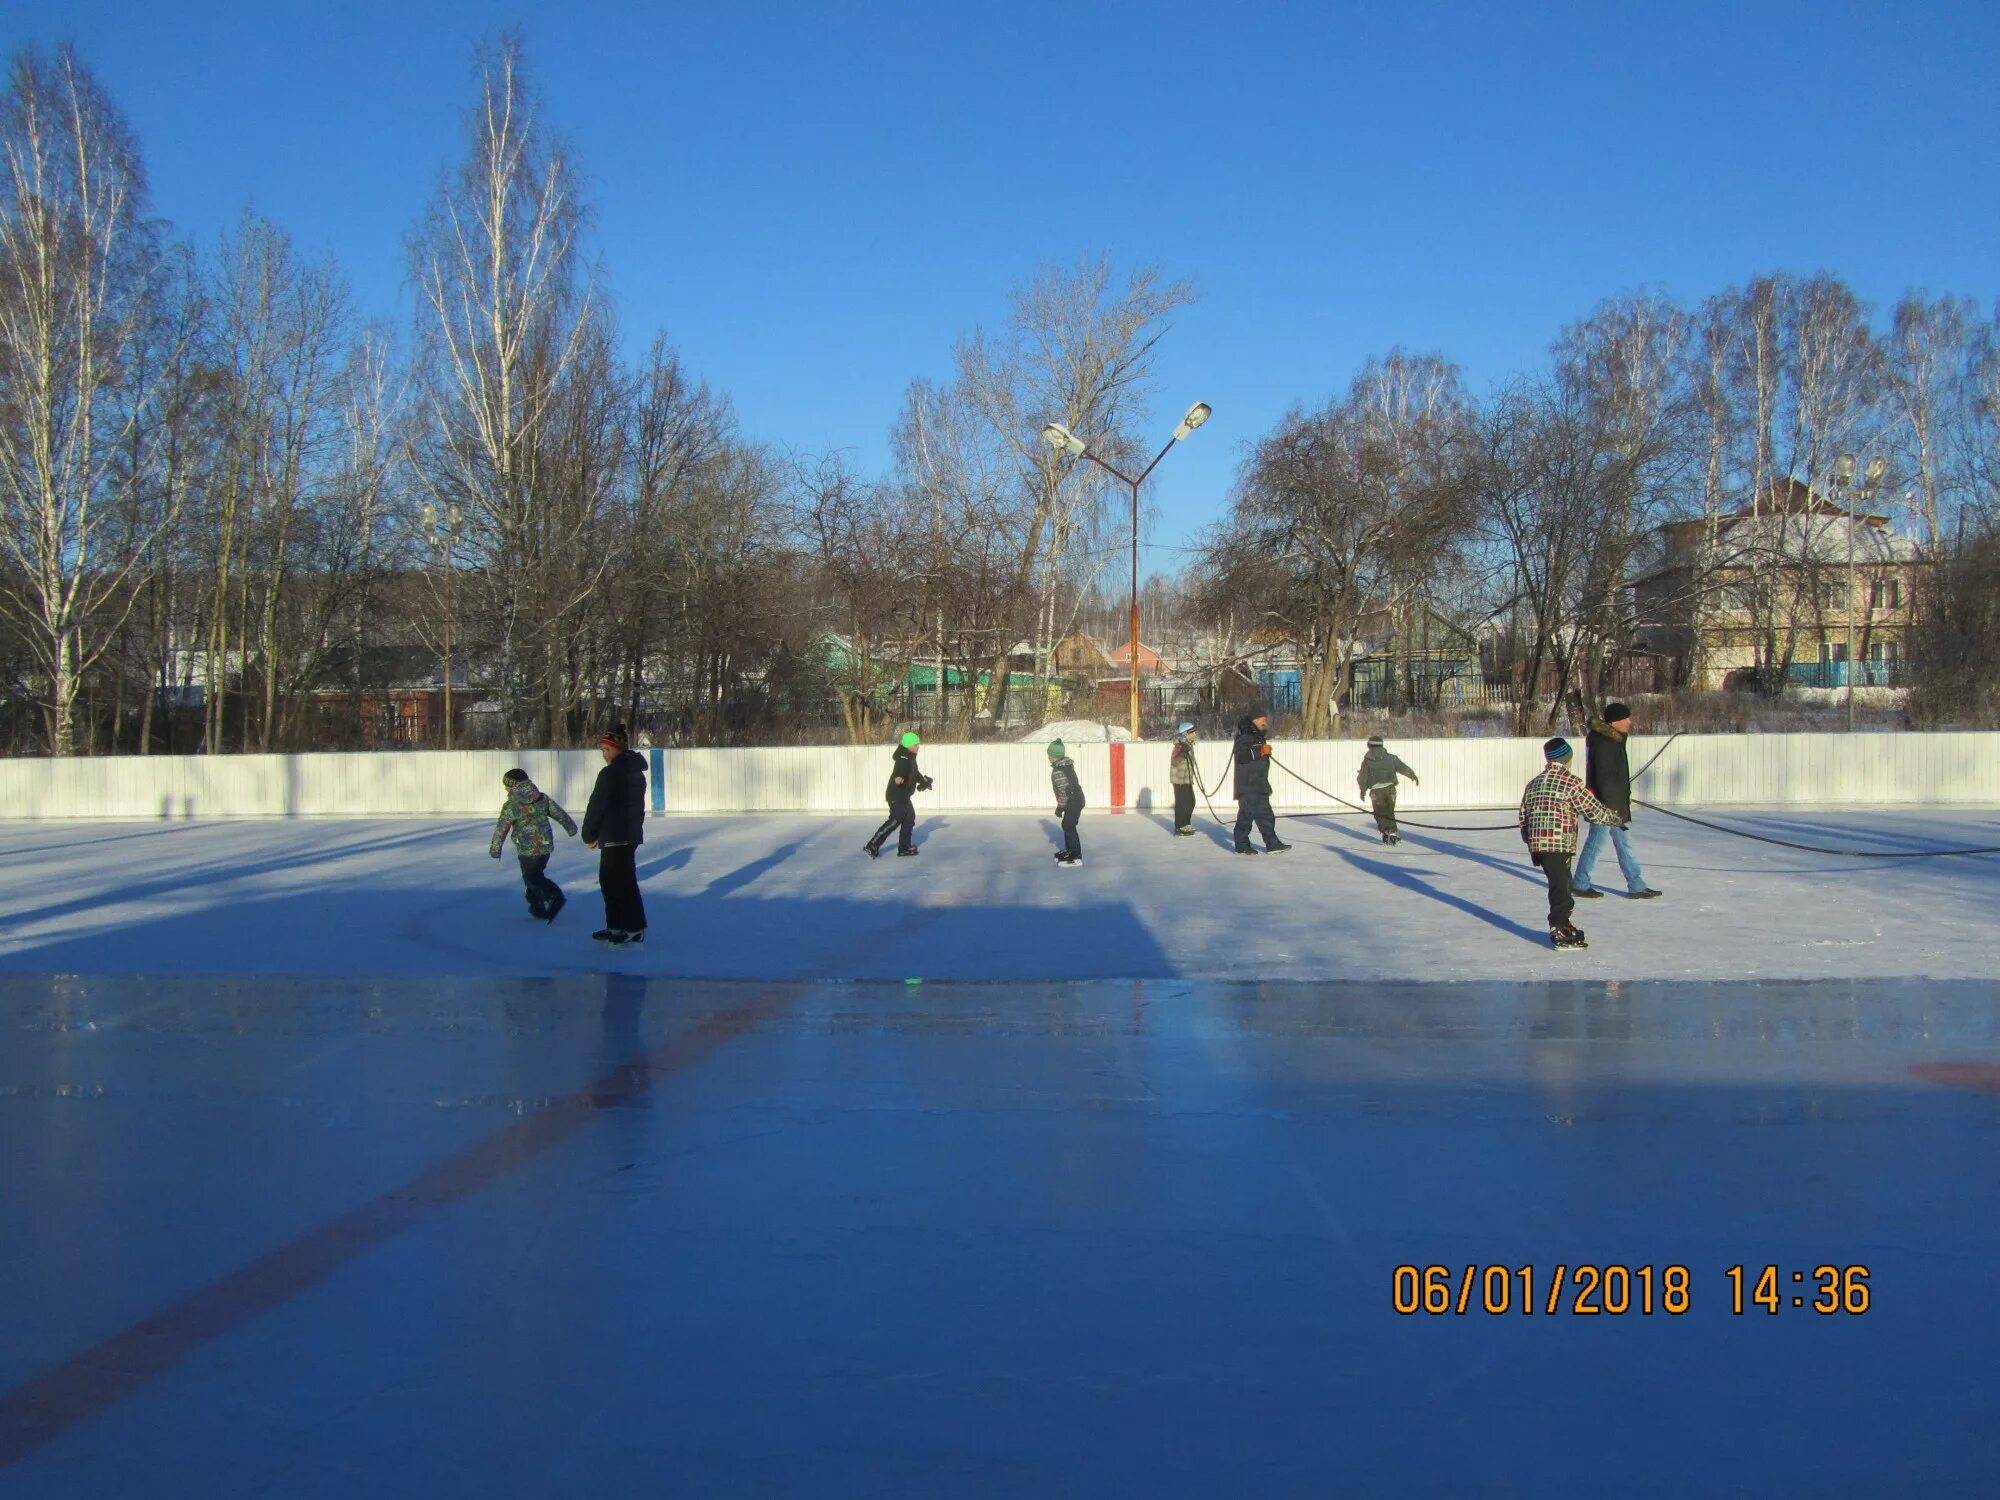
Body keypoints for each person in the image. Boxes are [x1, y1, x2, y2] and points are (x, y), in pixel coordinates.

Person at [1519, 736, 1623, 949]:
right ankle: (1560, 928)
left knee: (1559, 884)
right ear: (1566, 758)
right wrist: (1616, 818)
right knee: (1562, 888)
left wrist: (1531, 839)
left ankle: (1562, 923)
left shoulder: (1534, 783)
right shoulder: (1570, 782)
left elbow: (1523, 815)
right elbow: (1592, 810)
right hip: (1558, 844)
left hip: (1538, 845)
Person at [1573, 701, 1662, 901]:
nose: (1629, 722)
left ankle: (1636, 885)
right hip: (1606, 806)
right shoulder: (1605, 742)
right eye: (1625, 718)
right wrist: (1611, 808)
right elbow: (1605, 778)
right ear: (1615, 722)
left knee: (1623, 845)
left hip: (1613, 804)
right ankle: (1580, 883)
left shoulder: (1613, 740)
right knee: (1595, 844)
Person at [581, 725, 648, 945]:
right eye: (602, 750)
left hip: (616, 833)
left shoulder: (611, 773)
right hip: (628, 834)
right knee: (615, 881)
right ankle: (617, 926)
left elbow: (597, 804)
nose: (604, 754)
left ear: (617, 748)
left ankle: (633, 927)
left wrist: (588, 834)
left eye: (606, 749)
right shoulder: (635, 771)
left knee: (619, 882)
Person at [489, 768, 578, 921]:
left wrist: (495, 848)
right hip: (545, 846)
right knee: (535, 875)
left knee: (532, 877)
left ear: (513, 786)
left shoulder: (511, 805)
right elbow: (559, 814)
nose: (505, 789)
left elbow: (501, 829)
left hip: (527, 849)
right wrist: (571, 828)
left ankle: (553, 895)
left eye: (507, 786)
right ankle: (538, 907)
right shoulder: (542, 798)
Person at [864, 729, 932, 858]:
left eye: (918, 744)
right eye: (915, 744)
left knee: (909, 818)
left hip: (904, 795)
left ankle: (904, 847)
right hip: (897, 794)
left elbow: (914, 773)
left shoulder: (910, 757)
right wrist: (899, 778)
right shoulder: (903, 758)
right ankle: (872, 845)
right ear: (908, 745)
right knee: (895, 820)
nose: (918, 747)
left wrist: (923, 781)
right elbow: (899, 771)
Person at [1231, 711, 1290, 854]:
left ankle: (1273, 844)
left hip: (1259, 784)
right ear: (1255, 720)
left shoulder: (1256, 737)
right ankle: (1242, 845)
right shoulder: (1245, 737)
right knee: (1246, 817)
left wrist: (1261, 751)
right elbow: (1242, 756)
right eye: (1262, 719)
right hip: (1248, 786)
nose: (1265, 722)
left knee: (1266, 815)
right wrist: (1260, 752)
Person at [1357, 734, 1419, 845]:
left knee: (1380, 813)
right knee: (1390, 812)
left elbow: (1362, 777)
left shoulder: (1367, 762)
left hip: (1376, 791)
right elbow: (1403, 768)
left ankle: (1387, 833)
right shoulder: (1391, 758)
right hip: (1390, 789)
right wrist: (1412, 775)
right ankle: (1392, 833)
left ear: (1369, 746)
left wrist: (1363, 790)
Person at [1048, 738, 1086, 864]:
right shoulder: (1067, 766)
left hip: (1073, 801)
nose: (1048, 757)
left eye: (1050, 755)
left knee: (1069, 826)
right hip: (1077, 799)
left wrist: (1060, 807)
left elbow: (1064, 792)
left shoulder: (1058, 771)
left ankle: (1075, 855)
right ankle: (1071, 850)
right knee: (1067, 825)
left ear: (1054, 756)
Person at [1168, 722, 1200, 836]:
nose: (1195, 734)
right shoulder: (1180, 745)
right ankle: (1180, 826)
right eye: (1193, 732)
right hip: (1180, 779)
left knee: (1191, 801)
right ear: (1187, 733)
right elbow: (1175, 761)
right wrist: (1182, 752)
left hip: (1186, 779)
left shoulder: (1188, 744)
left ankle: (1186, 823)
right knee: (1183, 803)